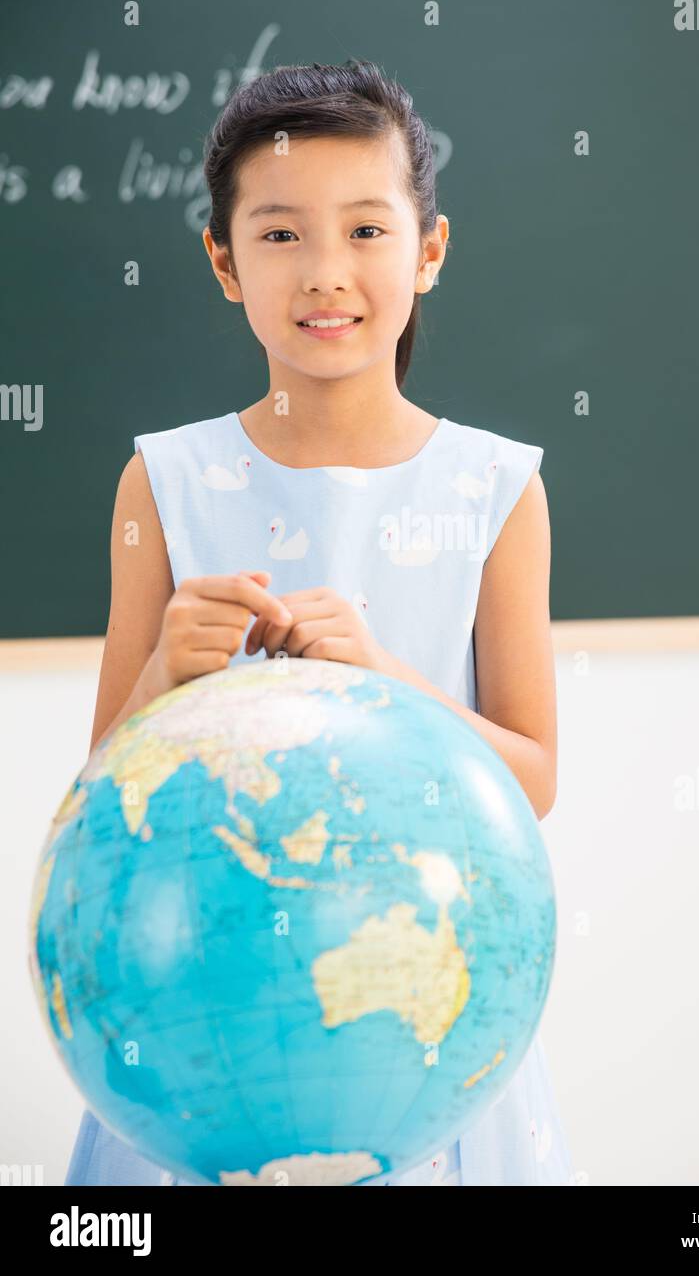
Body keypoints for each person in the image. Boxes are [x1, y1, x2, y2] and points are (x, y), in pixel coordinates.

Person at [65, 59, 574, 1187]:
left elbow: (531, 776)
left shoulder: (495, 489)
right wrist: (159, 674)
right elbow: (97, 783)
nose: (326, 273)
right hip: (207, 1024)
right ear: (222, 261)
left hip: (418, 1032)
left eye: (366, 230)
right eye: (281, 234)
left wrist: (386, 676)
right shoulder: (165, 482)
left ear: (428, 252)